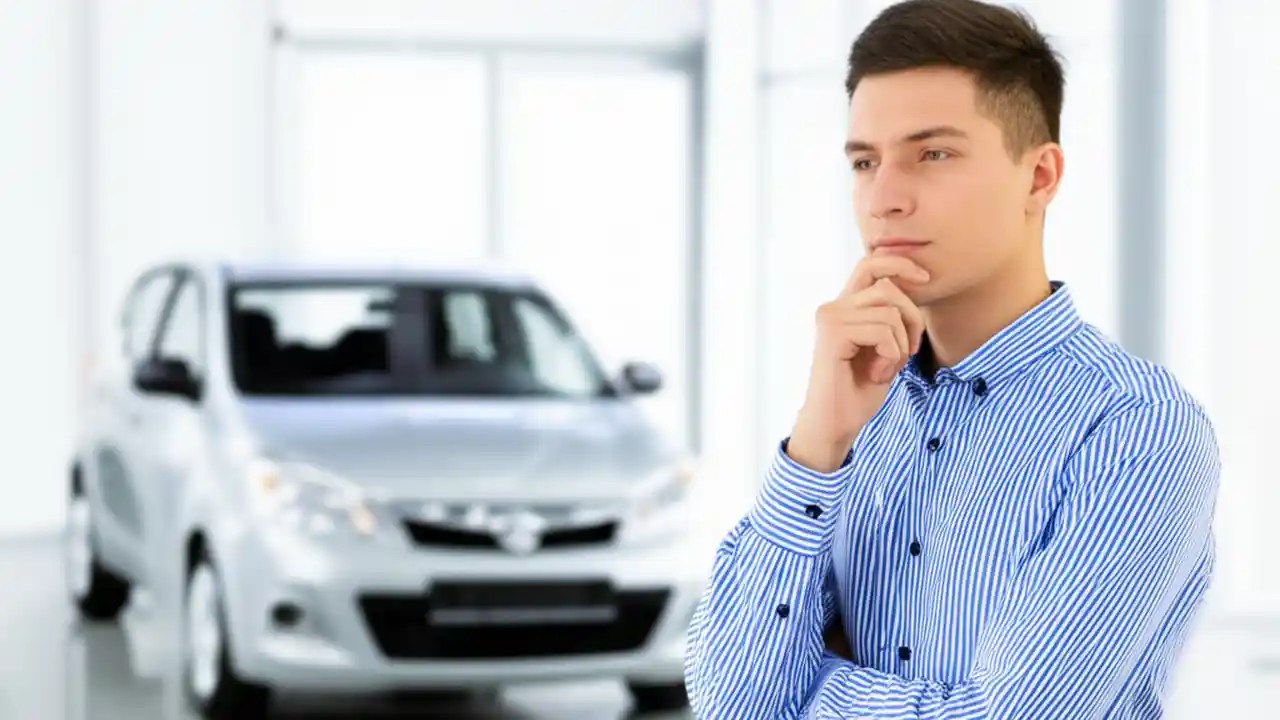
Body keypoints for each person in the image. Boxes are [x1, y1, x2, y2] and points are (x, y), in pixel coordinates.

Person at [683, 1, 1221, 717]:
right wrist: (816, 448)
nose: (885, 199)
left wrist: (809, 690)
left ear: (1039, 177)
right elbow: (729, 702)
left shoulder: (1137, 429)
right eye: (865, 162)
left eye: (933, 154)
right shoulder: (851, 408)